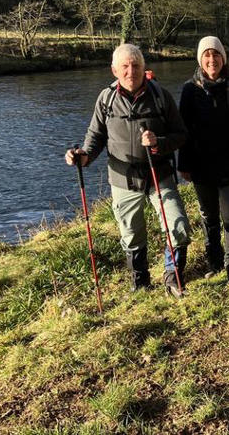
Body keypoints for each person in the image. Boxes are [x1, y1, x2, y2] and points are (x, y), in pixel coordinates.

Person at [65, 43, 191, 298]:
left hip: (159, 174)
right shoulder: (106, 99)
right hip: (123, 178)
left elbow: (181, 135)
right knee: (131, 233)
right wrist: (83, 157)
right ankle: (140, 281)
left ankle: (172, 277)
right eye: (125, 66)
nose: (131, 71)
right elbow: (95, 137)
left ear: (144, 68)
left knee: (177, 226)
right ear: (114, 70)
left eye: (136, 66)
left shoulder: (161, 96)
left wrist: (158, 143)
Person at [177, 37, 229, 286]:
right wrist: (184, 164)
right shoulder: (190, 90)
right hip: (201, 166)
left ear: (223, 58)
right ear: (200, 60)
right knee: (209, 217)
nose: (212, 60)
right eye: (207, 55)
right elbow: (183, 131)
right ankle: (214, 261)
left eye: (216, 54)